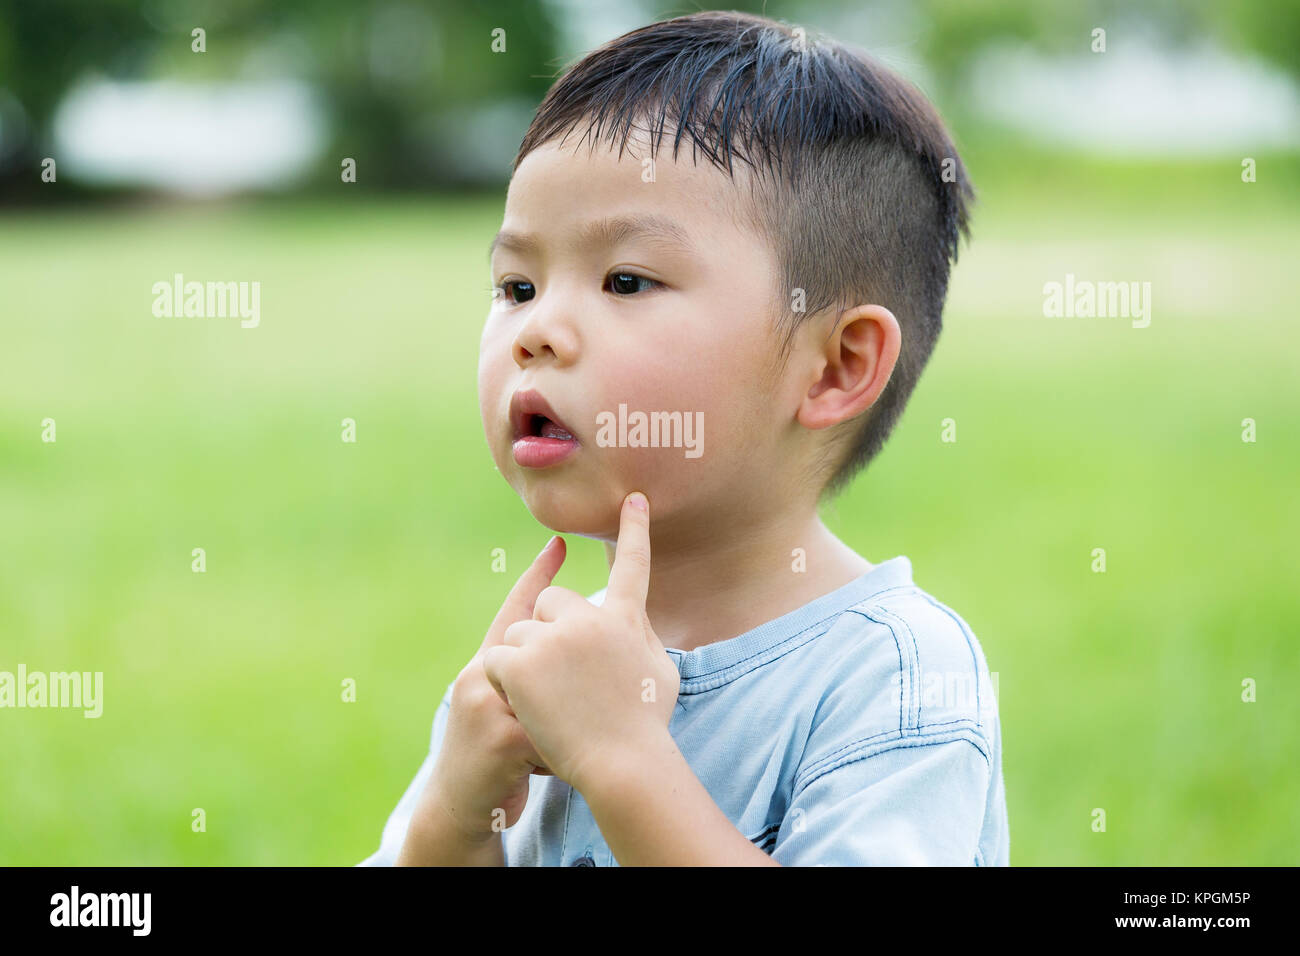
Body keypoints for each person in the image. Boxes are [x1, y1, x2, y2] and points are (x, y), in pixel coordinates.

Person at [359, 9, 1007, 866]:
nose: (535, 330)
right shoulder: (534, 668)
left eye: (625, 279)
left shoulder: (891, 675)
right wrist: (454, 808)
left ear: (834, 368)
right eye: (516, 285)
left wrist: (623, 758)